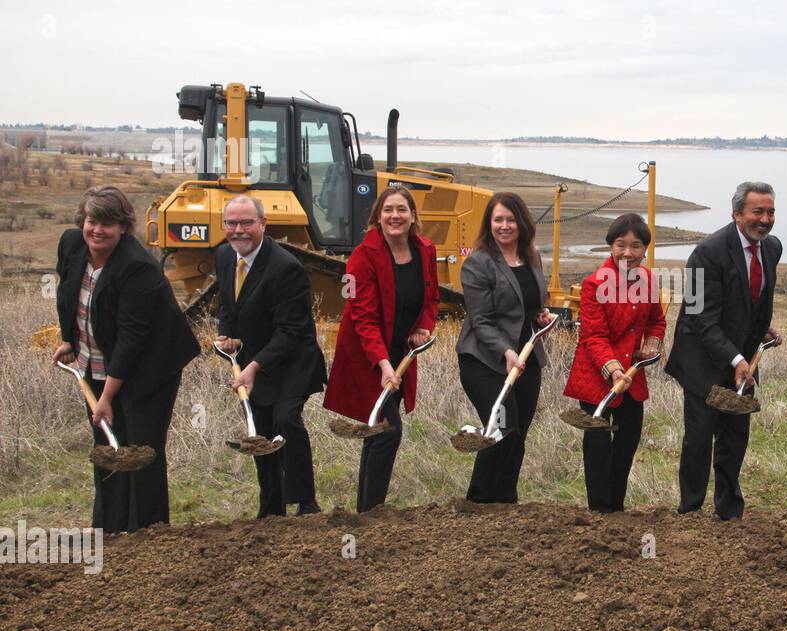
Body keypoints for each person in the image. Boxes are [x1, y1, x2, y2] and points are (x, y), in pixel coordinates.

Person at [53, 187, 200, 533]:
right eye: (92, 221)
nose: (98, 231)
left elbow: (133, 340)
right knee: (107, 444)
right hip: (98, 362)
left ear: (123, 227)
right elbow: (69, 292)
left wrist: (105, 399)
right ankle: (111, 526)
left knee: (140, 447)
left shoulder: (138, 268)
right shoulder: (72, 245)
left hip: (151, 367)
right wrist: (68, 340)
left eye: (108, 223)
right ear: (82, 222)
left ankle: (149, 530)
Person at [665, 181, 782, 520]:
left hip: (743, 363)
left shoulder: (772, 248)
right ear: (736, 213)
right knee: (700, 439)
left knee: (735, 438)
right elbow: (701, 317)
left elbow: (754, 302)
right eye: (756, 212)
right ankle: (690, 509)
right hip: (703, 361)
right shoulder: (706, 253)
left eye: (770, 211)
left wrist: (762, 331)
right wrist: (736, 358)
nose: (764, 219)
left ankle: (729, 511)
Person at [323, 186, 439, 511]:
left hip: (401, 356)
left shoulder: (425, 251)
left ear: (413, 216)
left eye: (402, 209)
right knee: (387, 431)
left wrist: (423, 327)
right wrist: (383, 363)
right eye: (388, 210)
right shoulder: (363, 256)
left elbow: (431, 298)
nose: (395, 216)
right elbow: (363, 317)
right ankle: (371, 512)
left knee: (377, 431)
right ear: (378, 216)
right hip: (366, 357)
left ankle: (365, 511)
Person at [214, 195, 328, 518]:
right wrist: (227, 335)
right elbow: (227, 305)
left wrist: (253, 367)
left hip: (293, 359)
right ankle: (271, 508)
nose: (239, 230)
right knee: (260, 429)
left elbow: (291, 332)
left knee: (284, 420)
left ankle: (307, 503)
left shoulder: (285, 268)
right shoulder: (224, 256)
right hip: (254, 358)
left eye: (247, 223)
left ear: (263, 224)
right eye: (231, 223)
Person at [562, 213, 666, 512]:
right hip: (597, 379)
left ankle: (615, 510)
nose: (628, 253)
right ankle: (599, 512)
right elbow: (593, 337)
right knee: (598, 448)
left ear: (645, 249)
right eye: (621, 245)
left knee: (625, 446)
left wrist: (652, 342)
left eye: (636, 246)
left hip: (632, 379)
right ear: (611, 246)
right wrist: (613, 368)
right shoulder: (594, 284)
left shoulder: (648, 280)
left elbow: (657, 321)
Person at [456, 192, 556, 503]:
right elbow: (481, 319)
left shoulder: (531, 257)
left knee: (518, 435)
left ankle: (505, 502)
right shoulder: (478, 264)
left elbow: (531, 304)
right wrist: (506, 351)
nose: (504, 225)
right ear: (489, 223)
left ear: (522, 222)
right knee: (502, 429)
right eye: (498, 219)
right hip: (485, 360)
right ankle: (478, 502)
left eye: (511, 219)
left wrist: (542, 315)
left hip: (527, 358)